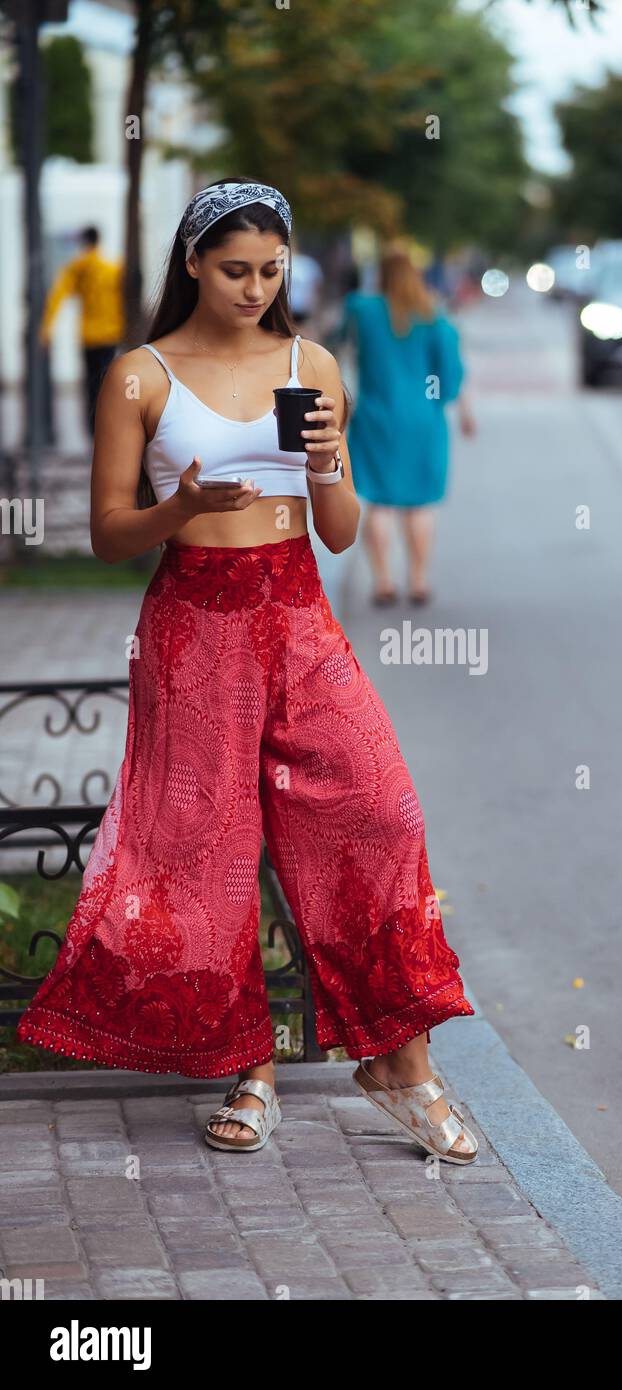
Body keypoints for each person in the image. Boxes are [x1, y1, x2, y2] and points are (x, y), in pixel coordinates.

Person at [16, 177, 477, 1164]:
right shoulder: (140, 376)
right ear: (190, 264)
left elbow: (344, 532)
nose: (254, 287)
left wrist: (322, 465)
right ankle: (250, 1068)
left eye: (270, 270)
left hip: (298, 610)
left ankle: (399, 1057)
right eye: (234, 269)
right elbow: (106, 535)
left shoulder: (310, 362)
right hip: (193, 622)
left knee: (382, 808)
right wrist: (179, 505)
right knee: (212, 851)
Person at [338, 248, 475, 605]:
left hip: (375, 418)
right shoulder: (433, 315)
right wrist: (454, 406)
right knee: (419, 504)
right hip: (423, 419)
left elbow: (336, 346)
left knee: (379, 502)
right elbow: (449, 374)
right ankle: (418, 580)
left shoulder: (361, 310)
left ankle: (383, 580)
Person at [39, 225, 125, 437]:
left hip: (88, 335)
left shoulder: (77, 268)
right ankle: (106, 425)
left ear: (84, 242)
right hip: (111, 333)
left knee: (90, 384)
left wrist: (46, 328)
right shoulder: (112, 268)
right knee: (107, 382)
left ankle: (91, 430)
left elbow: (57, 296)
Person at [288, 249, 323, 326]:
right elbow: (317, 288)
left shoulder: (308, 263)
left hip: (298, 307)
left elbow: (316, 287)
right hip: (300, 306)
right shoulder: (309, 263)